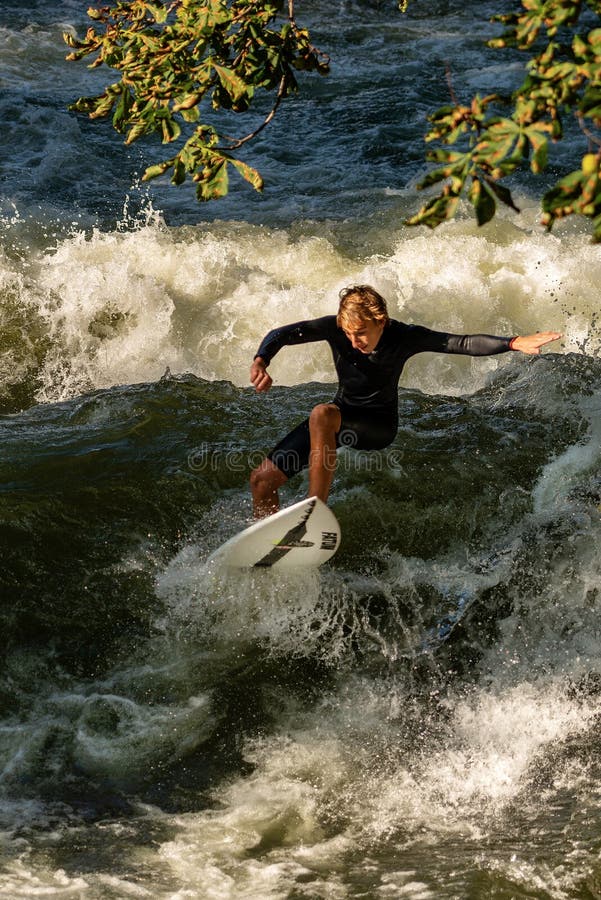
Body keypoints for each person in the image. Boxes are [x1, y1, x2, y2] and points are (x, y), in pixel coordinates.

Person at [249, 285, 561, 517]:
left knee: (322, 414)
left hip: (378, 426)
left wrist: (514, 342)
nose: (353, 342)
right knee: (262, 480)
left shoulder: (403, 336)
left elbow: (461, 343)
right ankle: (270, 544)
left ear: (380, 321)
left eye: (360, 334)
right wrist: (261, 360)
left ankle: (314, 512)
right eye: (347, 334)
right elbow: (286, 333)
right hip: (340, 419)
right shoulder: (337, 329)